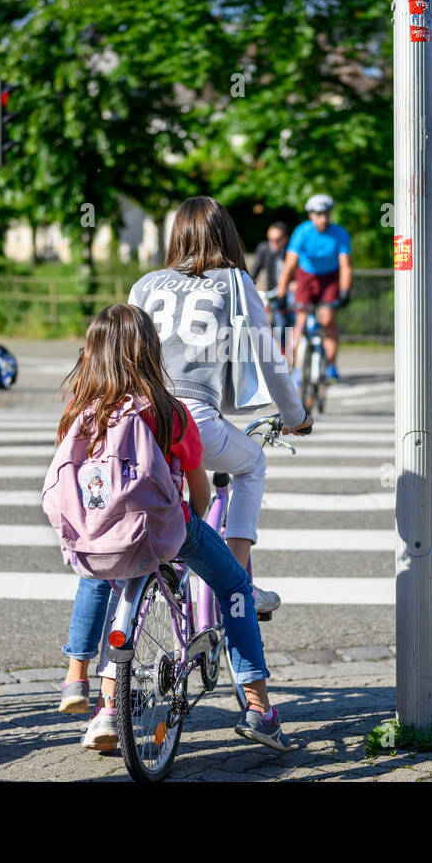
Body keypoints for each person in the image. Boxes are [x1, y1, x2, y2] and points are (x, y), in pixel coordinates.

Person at [55, 304, 294, 752]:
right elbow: (200, 494)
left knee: (99, 578)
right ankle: (260, 709)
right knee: (235, 585)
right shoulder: (168, 412)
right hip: (164, 530)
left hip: (101, 534)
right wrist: (194, 524)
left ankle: (79, 680)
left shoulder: (78, 413)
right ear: (150, 351)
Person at [129, 196, 312, 617]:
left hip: (141, 416)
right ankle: (236, 580)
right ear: (226, 235)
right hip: (193, 418)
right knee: (251, 465)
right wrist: (295, 417)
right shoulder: (233, 281)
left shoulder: (146, 283)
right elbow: (269, 355)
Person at [275, 193, 352, 382]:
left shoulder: (339, 234)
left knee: (328, 320)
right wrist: (282, 291)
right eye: (318, 214)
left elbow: (345, 266)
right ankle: (299, 369)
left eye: (326, 213)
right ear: (310, 215)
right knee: (300, 321)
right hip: (306, 277)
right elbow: (289, 264)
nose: (323, 218)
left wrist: (344, 291)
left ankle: (331, 365)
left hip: (330, 278)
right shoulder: (302, 232)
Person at [249, 221, 292, 352]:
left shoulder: (292, 250)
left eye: (277, 240)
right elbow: (254, 272)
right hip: (275, 293)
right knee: (279, 326)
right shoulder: (264, 249)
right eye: (270, 240)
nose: (272, 243)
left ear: (285, 239)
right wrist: (249, 287)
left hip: (293, 293)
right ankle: (283, 358)